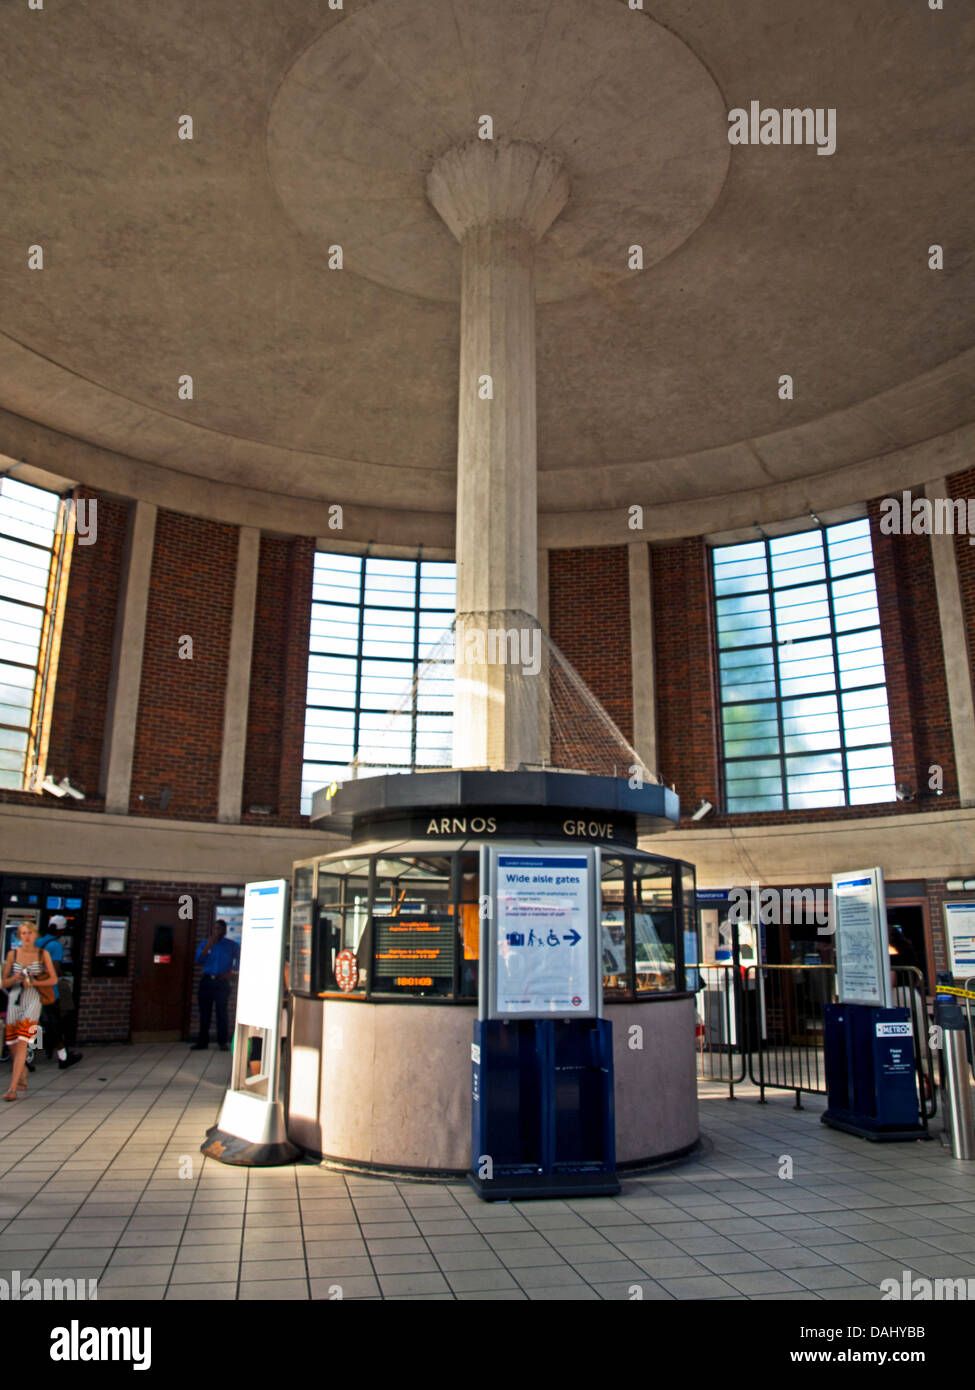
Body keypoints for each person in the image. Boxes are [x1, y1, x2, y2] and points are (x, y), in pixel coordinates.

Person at [1, 921, 57, 1101]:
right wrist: (15, 978)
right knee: (11, 1042)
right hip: (15, 998)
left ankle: (12, 1087)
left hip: (33, 998)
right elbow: (3, 982)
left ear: (35, 935)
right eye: (23, 933)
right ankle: (22, 1070)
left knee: (23, 1039)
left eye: (30, 933)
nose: (26, 937)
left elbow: (53, 979)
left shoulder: (43, 954)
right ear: (19, 936)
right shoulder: (12, 954)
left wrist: (35, 982)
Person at [35, 916, 82, 1071]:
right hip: (49, 990)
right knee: (56, 1024)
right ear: (61, 930)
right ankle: (64, 1057)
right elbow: (55, 967)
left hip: (33, 989)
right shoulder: (55, 945)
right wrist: (64, 975)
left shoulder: (37, 942)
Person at [191, 919, 239, 1051]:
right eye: (215, 928)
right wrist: (208, 946)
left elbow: (239, 959)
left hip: (222, 981)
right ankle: (202, 1042)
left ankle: (222, 1042)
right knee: (204, 1012)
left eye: (219, 929)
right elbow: (198, 960)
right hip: (207, 980)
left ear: (224, 930)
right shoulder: (205, 943)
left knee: (221, 1012)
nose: (216, 931)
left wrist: (232, 972)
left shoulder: (231, 945)